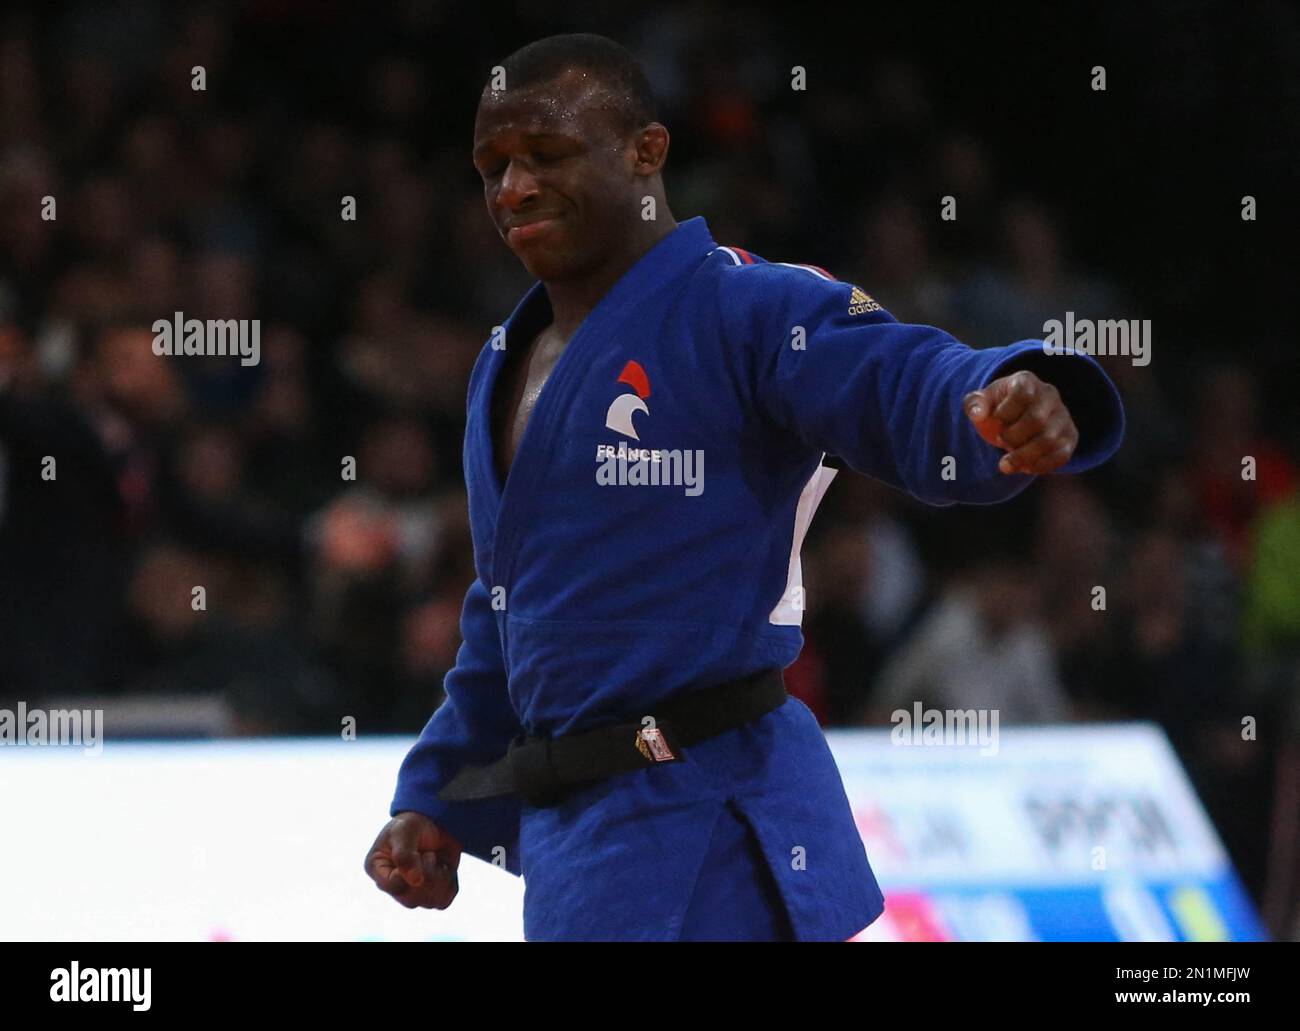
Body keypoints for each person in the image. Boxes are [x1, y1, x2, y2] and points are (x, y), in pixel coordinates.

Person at [363, 33, 1125, 941]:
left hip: (716, 822)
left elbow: (897, 374)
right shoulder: (502, 361)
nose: (514, 189)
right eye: (493, 166)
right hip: (583, 849)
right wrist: (441, 798)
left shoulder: (746, 305)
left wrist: (1004, 393)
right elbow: (511, 615)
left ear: (648, 151)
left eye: (548, 155)